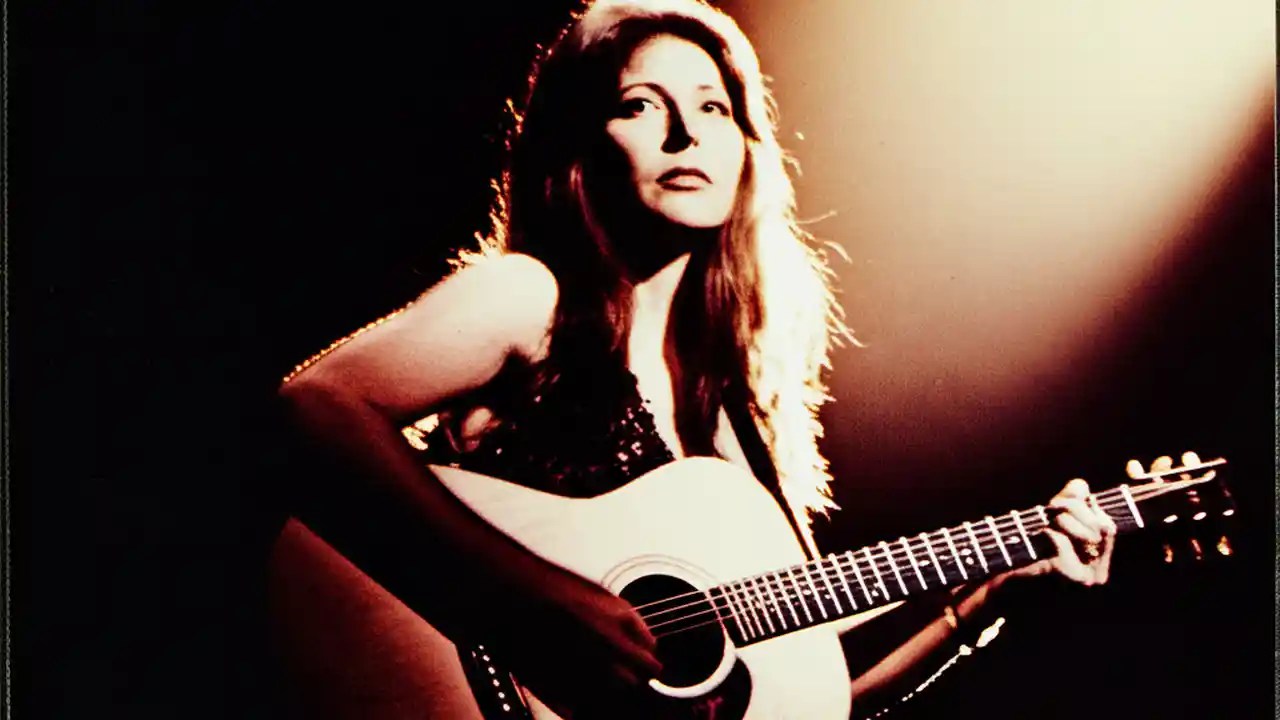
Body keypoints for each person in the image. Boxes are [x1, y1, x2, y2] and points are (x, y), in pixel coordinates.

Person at [271, 0, 1122, 717]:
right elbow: (314, 406)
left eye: (714, 108)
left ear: (747, 149)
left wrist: (985, 603)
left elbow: (813, 699)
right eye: (641, 105)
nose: (686, 134)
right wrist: (542, 600)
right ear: (579, 145)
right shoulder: (534, 297)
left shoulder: (732, 406)